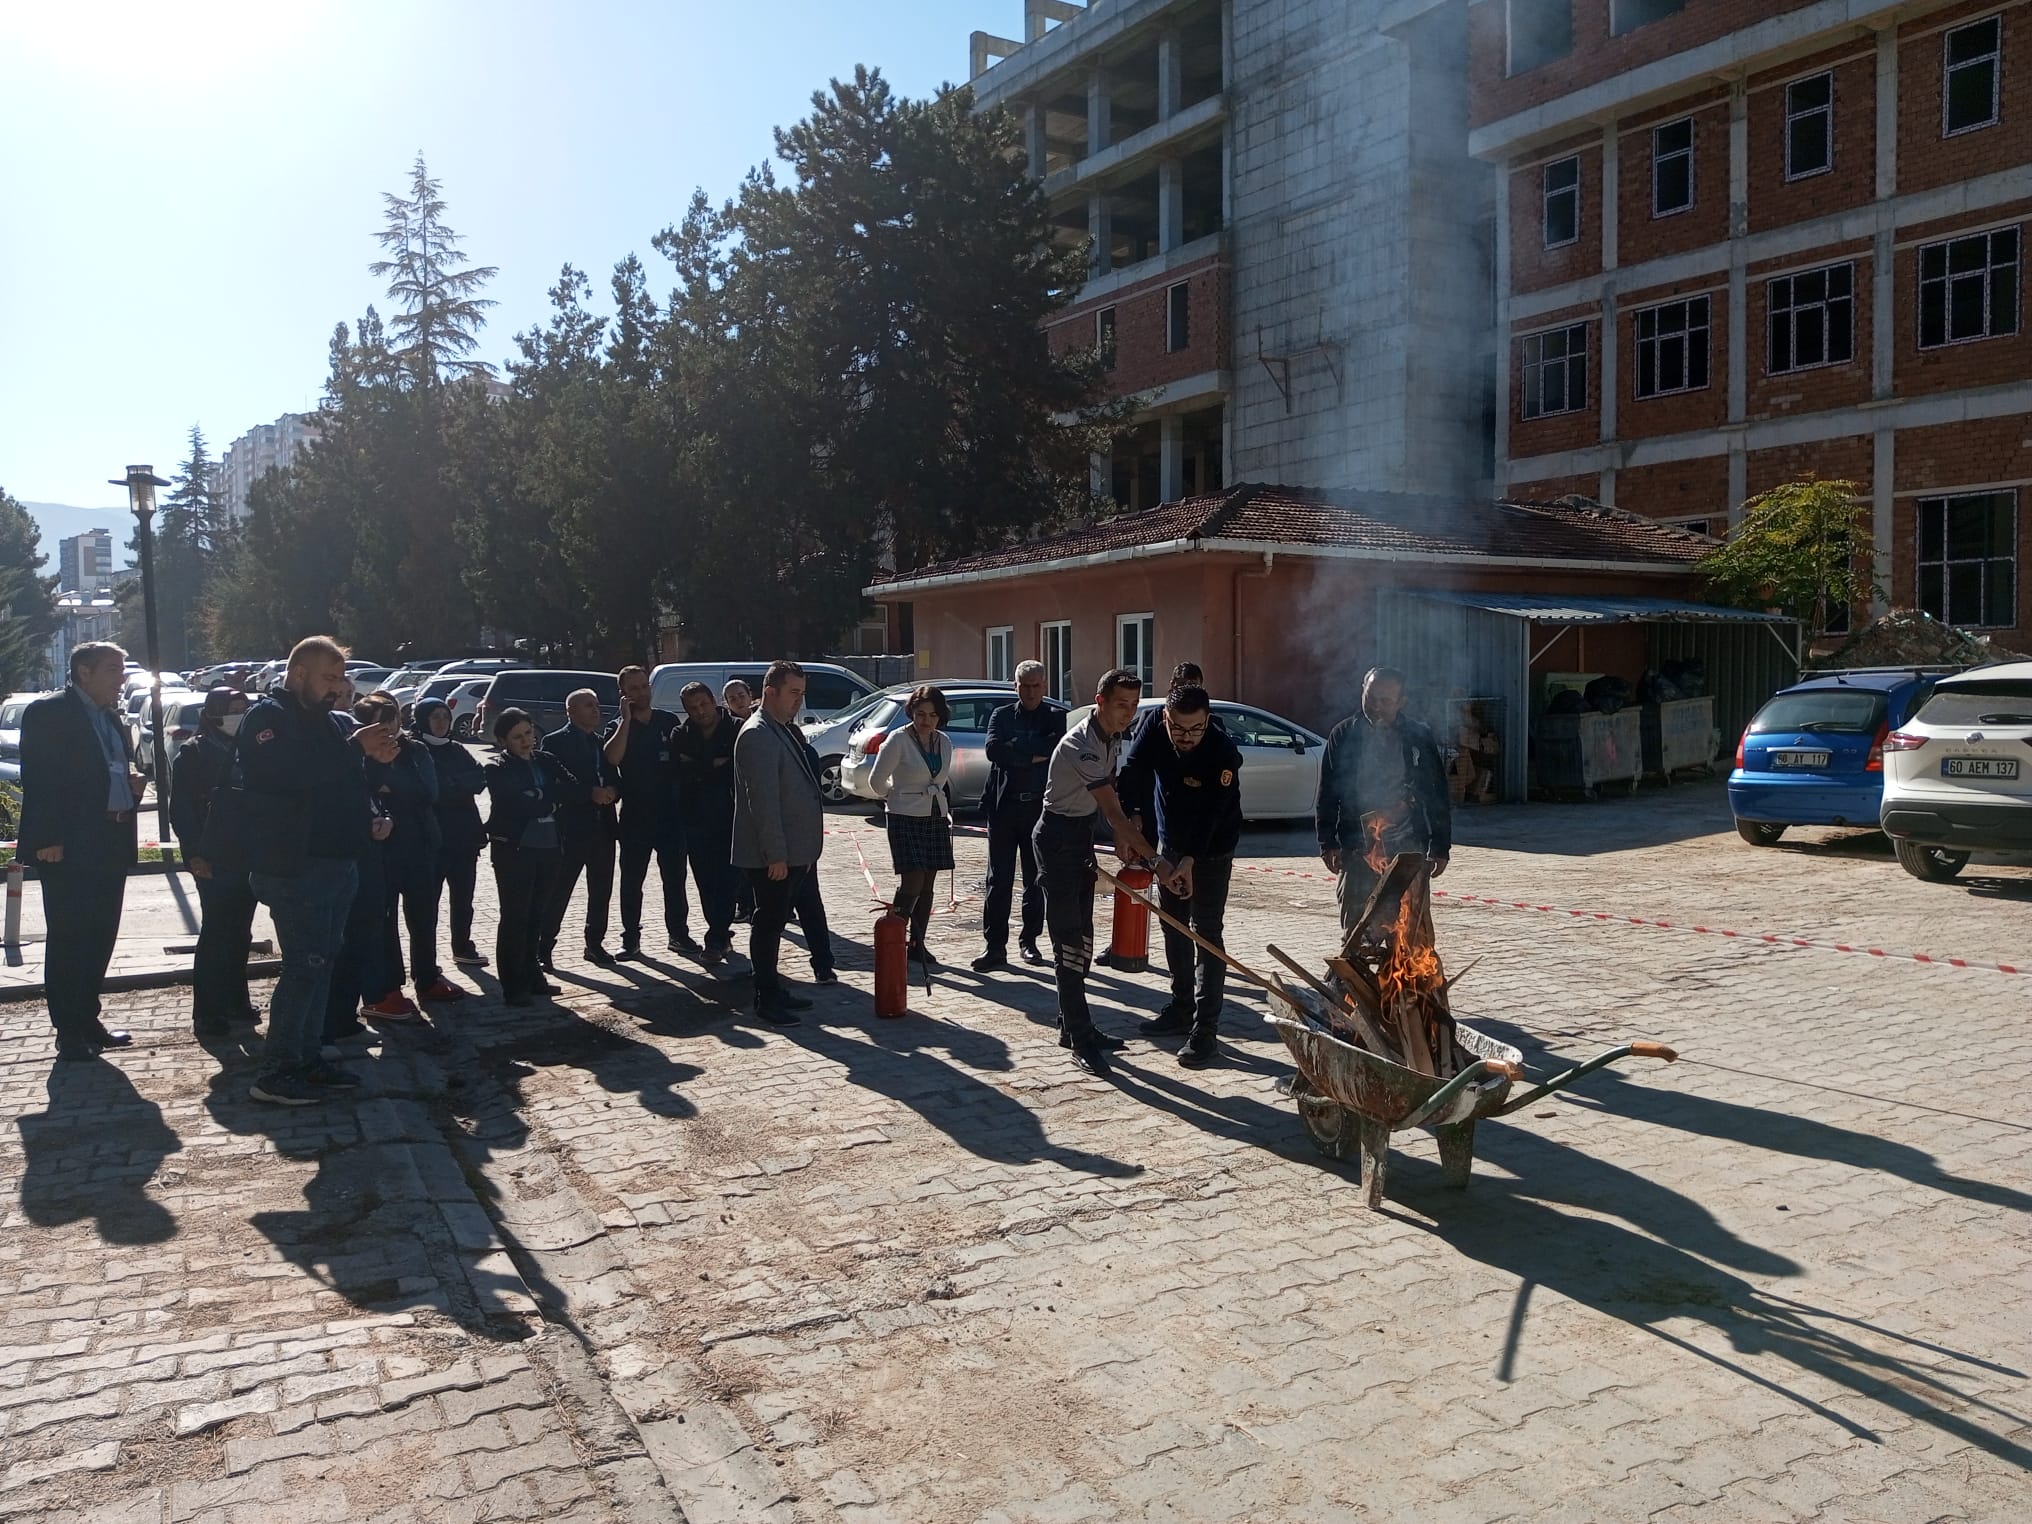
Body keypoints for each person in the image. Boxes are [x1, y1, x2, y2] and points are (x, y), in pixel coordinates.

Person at [239, 636, 400, 1105]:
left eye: (341, 678)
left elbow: (344, 778)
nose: (338, 687)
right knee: (303, 966)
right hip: (295, 865)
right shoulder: (269, 717)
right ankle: (276, 1072)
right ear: (299, 673)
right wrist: (354, 748)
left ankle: (306, 1058)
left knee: (322, 965)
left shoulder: (331, 723)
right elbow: (285, 775)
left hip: (338, 861)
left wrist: (375, 766)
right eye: (328, 677)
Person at [17, 641, 146, 1060]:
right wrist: (45, 838)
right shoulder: (50, 712)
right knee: (71, 937)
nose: (121, 678)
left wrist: (131, 789)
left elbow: (106, 772)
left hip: (111, 839)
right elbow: (41, 782)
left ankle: (88, 1019)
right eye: (113, 669)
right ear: (84, 672)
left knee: (100, 935)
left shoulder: (111, 717)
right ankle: (69, 1031)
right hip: (69, 845)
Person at [1035, 667, 1160, 1076]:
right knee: (1069, 941)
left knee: (1084, 939)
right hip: (1056, 838)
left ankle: (1071, 1024)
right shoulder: (1082, 744)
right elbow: (1113, 812)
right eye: (1121, 704)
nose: (1128, 713)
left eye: (1134, 706)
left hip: (1079, 835)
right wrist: (1154, 859)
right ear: (1100, 701)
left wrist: (1125, 834)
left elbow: (1112, 802)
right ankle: (1081, 1036)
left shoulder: (1111, 737)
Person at [1117, 683, 1244, 1068]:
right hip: (1170, 843)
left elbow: (1213, 814)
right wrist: (1133, 814)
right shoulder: (1154, 725)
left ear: (1207, 721)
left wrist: (1190, 859)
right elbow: (1133, 770)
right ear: (1167, 718)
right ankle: (1181, 1005)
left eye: (1196, 729)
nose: (1186, 737)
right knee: (1174, 925)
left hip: (1212, 847)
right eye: (1179, 729)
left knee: (1206, 932)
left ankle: (1205, 1030)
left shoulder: (1221, 751)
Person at [1315, 665, 1453, 939]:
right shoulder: (1343, 735)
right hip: (1357, 846)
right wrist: (1327, 842)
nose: (1376, 707)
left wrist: (1441, 846)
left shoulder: (1418, 736)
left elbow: (1437, 793)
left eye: (1385, 701)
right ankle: (1352, 981)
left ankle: (1412, 982)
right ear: (1362, 692)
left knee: (1411, 932)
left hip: (1407, 845)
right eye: (1370, 698)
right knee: (1358, 930)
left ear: (1401, 702)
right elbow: (1328, 793)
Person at [731, 661, 825, 1025]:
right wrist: (777, 855)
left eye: (802, 693)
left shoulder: (779, 728)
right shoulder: (757, 733)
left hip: (793, 851)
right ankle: (764, 997)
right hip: (773, 855)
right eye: (793, 693)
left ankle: (772, 989)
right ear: (770, 692)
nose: (799, 701)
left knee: (773, 923)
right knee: (768, 924)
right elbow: (763, 802)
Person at [170, 686, 260, 1036]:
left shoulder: (250, 748)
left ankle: (236, 1000)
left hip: (247, 854)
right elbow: (182, 811)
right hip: (212, 854)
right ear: (214, 713)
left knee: (241, 930)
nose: (238, 714)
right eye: (231, 708)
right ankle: (208, 1010)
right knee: (217, 931)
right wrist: (194, 853)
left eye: (243, 708)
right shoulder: (194, 753)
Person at [368, 696, 461, 1006]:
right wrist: (397, 787)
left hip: (420, 844)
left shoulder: (415, 750)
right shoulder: (362, 754)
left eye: (392, 718)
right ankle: (390, 985)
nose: (388, 726)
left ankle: (427, 977)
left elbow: (429, 792)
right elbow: (363, 791)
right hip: (381, 850)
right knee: (384, 920)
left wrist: (391, 784)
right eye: (380, 720)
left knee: (423, 916)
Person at [974, 660, 1063, 972]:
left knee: (1035, 880)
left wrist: (1018, 749)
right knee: (998, 880)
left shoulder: (1055, 717)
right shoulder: (1001, 715)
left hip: (1038, 809)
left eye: (1036, 685)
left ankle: (1030, 942)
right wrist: (1031, 754)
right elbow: (994, 751)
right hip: (1003, 808)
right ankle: (995, 947)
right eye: (1024, 685)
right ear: (1015, 686)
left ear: (1045, 686)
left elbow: (1053, 749)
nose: (1030, 691)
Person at [604, 665, 696, 958]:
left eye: (645, 686)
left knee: (675, 879)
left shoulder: (668, 721)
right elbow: (612, 757)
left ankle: (678, 935)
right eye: (634, 689)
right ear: (624, 694)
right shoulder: (617, 726)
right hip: (635, 817)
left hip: (671, 815)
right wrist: (626, 720)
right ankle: (630, 938)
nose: (642, 693)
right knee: (632, 880)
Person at [486, 707, 568, 1005]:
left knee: (537, 915)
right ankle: (513, 983)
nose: (525, 741)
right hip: (515, 850)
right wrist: (545, 798)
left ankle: (533, 975)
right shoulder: (498, 767)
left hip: (549, 847)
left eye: (528, 733)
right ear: (503, 740)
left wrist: (540, 797)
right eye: (517, 737)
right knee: (515, 917)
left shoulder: (545, 760)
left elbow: (570, 788)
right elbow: (515, 804)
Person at [870, 685, 954, 969]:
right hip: (904, 816)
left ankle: (917, 945)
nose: (926, 720)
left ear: (940, 717)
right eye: (920, 714)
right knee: (913, 881)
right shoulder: (898, 739)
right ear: (911, 713)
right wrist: (897, 795)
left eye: (932, 715)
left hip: (934, 815)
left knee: (928, 883)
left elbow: (940, 779)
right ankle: (893, 938)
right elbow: (876, 781)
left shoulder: (943, 742)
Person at [540, 689, 620, 968]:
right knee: (559, 890)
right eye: (588, 706)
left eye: (597, 705)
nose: (595, 710)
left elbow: (613, 777)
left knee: (601, 890)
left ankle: (594, 943)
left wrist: (612, 791)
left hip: (604, 829)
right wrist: (589, 793)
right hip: (571, 830)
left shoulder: (601, 743)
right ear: (571, 712)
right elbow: (553, 787)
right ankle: (544, 945)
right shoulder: (554, 742)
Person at [412, 698, 488, 968]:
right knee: (427, 904)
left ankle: (463, 947)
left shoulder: (457, 749)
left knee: (463, 899)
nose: (442, 722)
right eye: (435, 717)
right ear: (423, 719)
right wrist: (457, 786)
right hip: (433, 841)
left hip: (464, 838)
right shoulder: (415, 750)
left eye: (446, 716)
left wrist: (453, 786)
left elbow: (479, 778)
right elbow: (432, 792)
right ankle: (426, 961)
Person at [671, 681, 739, 966]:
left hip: (730, 818)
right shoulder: (681, 734)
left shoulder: (736, 728)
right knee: (705, 882)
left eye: (703, 704)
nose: (700, 712)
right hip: (694, 818)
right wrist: (712, 766)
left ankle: (716, 937)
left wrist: (700, 766)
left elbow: (737, 770)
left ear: (714, 701)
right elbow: (678, 772)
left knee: (727, 879)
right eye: (693, 708)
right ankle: (720, 933)